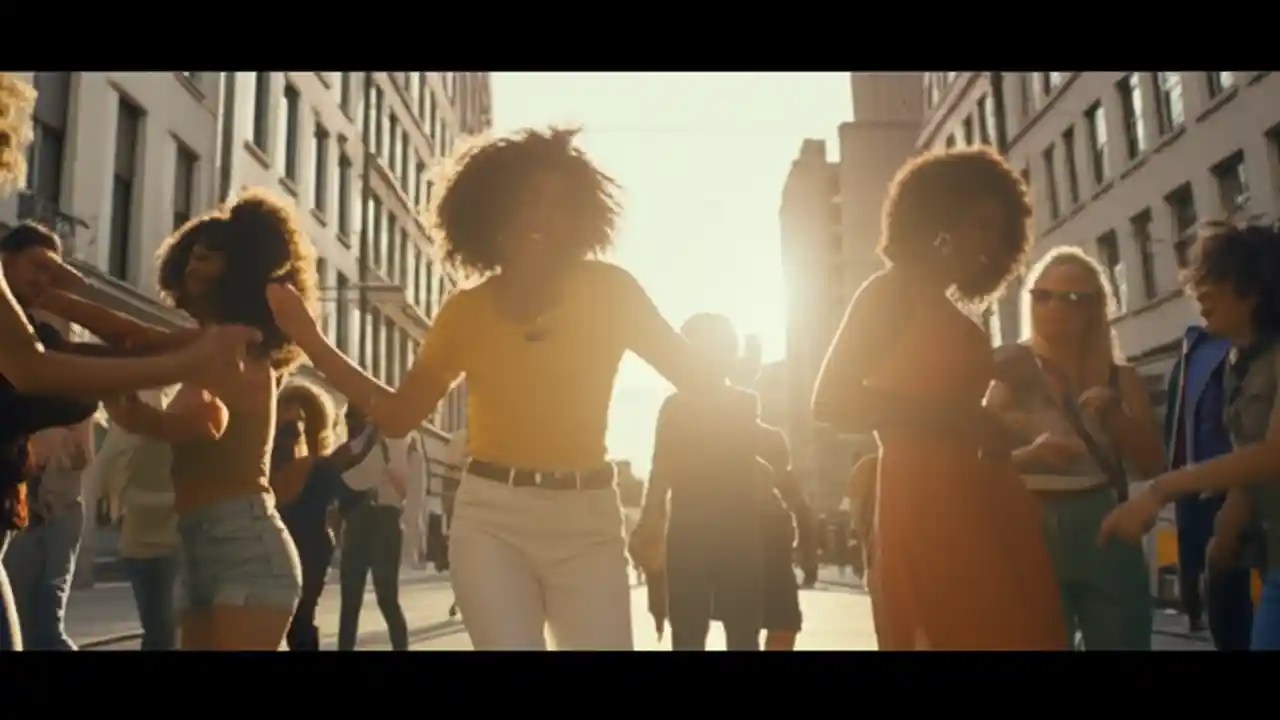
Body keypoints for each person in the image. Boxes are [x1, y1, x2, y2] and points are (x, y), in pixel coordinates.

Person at [266, 126, 705, 650]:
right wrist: (310, 339)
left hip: (587, 521)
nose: (540, 217)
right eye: (524, 202)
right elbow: (401, 415)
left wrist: (663, 507)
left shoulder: (612, 290)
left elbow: (699, 383)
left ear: (580, 216)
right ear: (491, 216)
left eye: (556, 203)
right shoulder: (466, 312)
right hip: (492, 520)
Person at [811, 147, 1067, 650]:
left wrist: (1005, 413)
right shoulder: (890, 292)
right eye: (981, 224)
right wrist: (963, 418)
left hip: (986, 496)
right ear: (939, 221)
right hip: (925, 503)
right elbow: (831, 401)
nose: (991, 243)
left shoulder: (953, 313)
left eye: (999, 230)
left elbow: (946, 402)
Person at [104, 189, 315, 650]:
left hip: (246, 549)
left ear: (237, 273)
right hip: (195, 547)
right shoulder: (205, 343)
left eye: (205, 259)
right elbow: (135, 343)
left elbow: (175, 417)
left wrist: (121, 399)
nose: (191, 270)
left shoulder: (240, 350)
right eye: (191, 258)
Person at [1100, 221, 1280, 650]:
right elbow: (1250, 457)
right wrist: (1225, 532)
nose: (1198, 290)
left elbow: (1273, 454)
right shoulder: (1242, 361)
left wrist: (1161, 489)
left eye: (1212, 278)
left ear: (1253, 287)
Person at [986, 247, 1165, 650]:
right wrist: (1031, 454)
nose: (1052, 308)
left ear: (1094, 309)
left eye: (1070, 299)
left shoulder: (1120, 378)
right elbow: (977, 460)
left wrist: (1116, 417)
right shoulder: (1010, 372)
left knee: (1123, 640)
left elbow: (1155, 461)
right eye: (1041, 295)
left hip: (1104, 522)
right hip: (1028, 519)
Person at [635, 313, 774, 650]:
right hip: (728, 531)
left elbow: (660, 471)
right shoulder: (742, 402)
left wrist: (650, 519)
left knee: (696, 631)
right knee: (731, 632)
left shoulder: (681, 406)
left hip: (700, 531)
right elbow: (661, 470)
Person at [1163, 325, 1255, 648]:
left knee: (1224, 572)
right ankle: (1196, 612)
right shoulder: (1191, 349)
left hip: (1226, 479)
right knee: (1202, 562)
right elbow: (1177, 419)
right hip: (1195, 479)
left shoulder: (1239, 346)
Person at [86, 388, 180, 651]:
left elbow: (103, 475)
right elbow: (102, 475)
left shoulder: (166, 422)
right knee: (161, 631)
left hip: (162, 542)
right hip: (146, 544)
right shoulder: (126, 430)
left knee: (161, 631)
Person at [4, 418, 94, 650]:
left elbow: (82, 455)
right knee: (23, 618)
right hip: (22, 517)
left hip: (61, 513)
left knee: (48, 623)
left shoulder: (71, 402)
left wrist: (50, 443)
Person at [271, 381, 348, 651]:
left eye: (298, 422)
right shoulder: (269, 462)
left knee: (300, 623)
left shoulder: (321, 468)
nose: (290, 432)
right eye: (283, 422)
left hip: (310, 547)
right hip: (281, 543)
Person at [334, 405, 410, 651]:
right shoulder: (362, 440)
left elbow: (407, 489)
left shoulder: (400, 442)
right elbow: (345, 468)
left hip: (385, 520)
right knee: (351, 600)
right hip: (361, 517)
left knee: (386, 598)